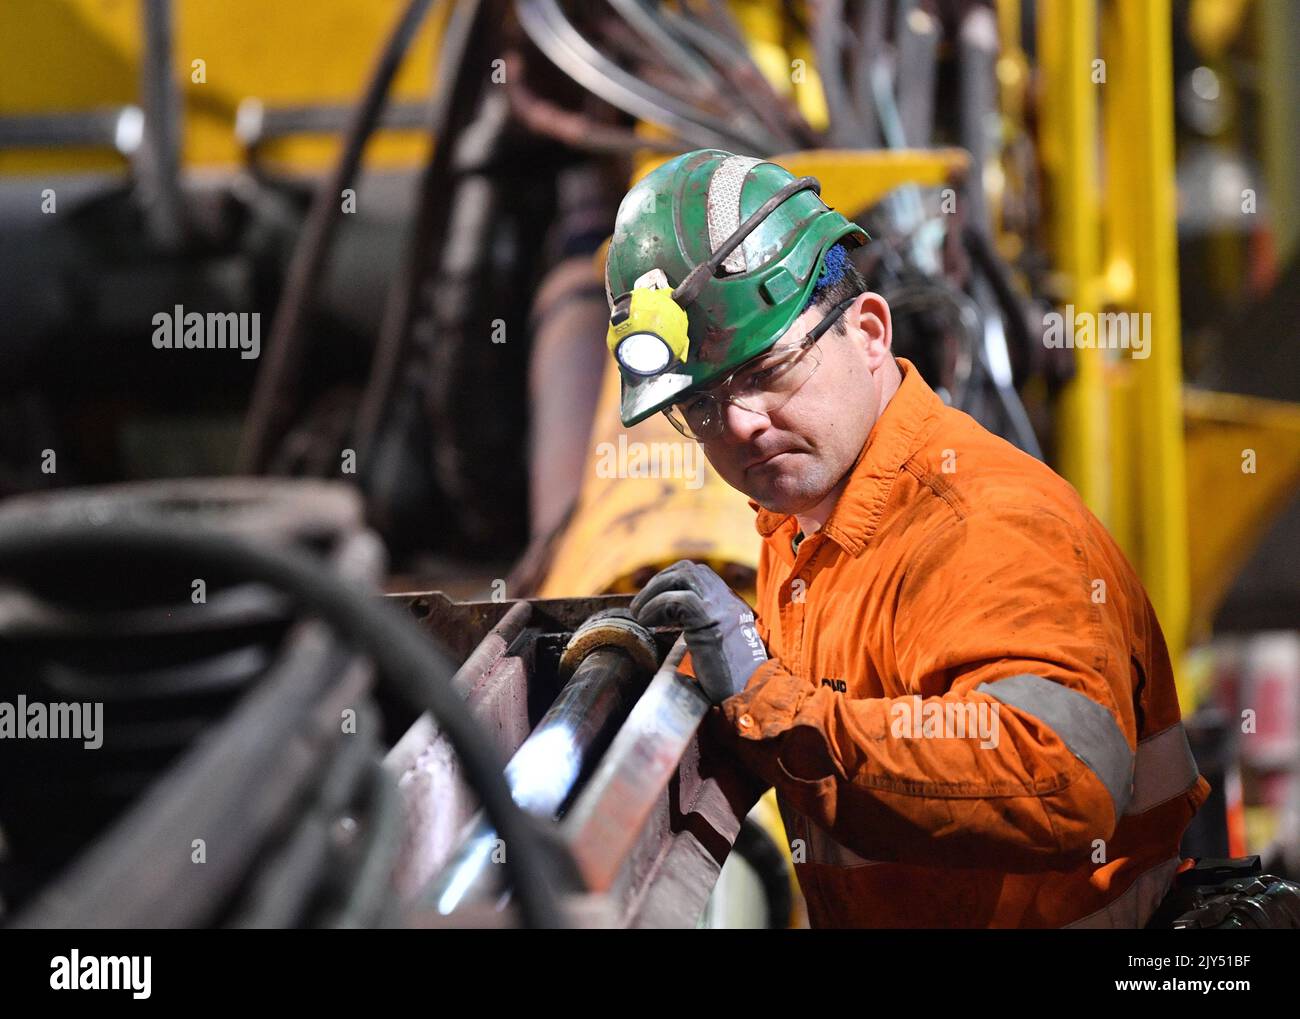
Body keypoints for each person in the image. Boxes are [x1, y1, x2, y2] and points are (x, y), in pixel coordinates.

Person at [607, 148, 1210, 928]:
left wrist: (764, 699)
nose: (743, 424)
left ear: (867, 331)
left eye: (767, 371)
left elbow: (1057, 777)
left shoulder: (981, 521)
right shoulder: (806, 525)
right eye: (704, 405)